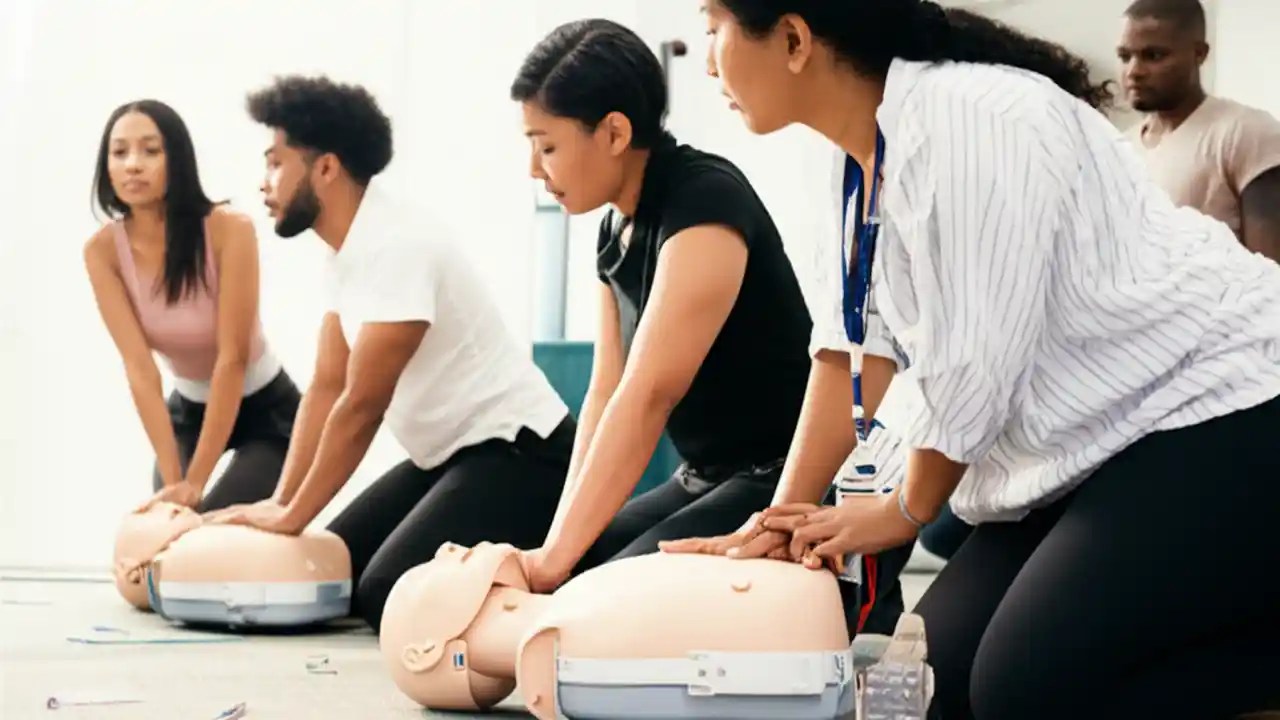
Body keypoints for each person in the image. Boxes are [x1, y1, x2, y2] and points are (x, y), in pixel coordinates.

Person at [676, 1, 1280, 719]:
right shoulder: (845, 157)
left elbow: (977, 360)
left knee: (1025, 690)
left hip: (1217, 402)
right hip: (1084, 442)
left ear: (795, 38)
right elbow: (849, 351)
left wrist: (903, 509)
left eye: (714, 27)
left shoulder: (973, 117)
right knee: (938, 692)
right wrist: (785, 516)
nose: (707, 58)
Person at [205, 76, 576, 631]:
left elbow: (362, 405)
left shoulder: (399, 245)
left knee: (386, 594)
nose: (264, 184)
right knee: (343, 572)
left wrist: (294, 515)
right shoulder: (344, 254)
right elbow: (328, 387)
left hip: (522, 455)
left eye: (276, 164)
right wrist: (283, 500)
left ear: (326, 168)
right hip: (450, 456)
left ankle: (559, 589)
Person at [508, 20, 826, 597]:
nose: (536, 168)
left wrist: (555, 560)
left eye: (547, 145)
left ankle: (855, 602)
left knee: (599, 597)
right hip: (702, 478)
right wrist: (556, 547)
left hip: (778, 478)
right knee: (570, 578)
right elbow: (605, 392)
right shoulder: (612, 229)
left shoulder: (703, 201)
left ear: (613, 132)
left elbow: (649, 393)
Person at [84, 99, 301, 513]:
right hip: (186, 414)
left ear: (178, 159)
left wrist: (196, 483)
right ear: (106, 166)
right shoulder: (102, 252)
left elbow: (232, 359)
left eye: (151, 150)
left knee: (204, 531)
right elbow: (140, 369)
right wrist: (175, 485)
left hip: (269, 412)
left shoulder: (229, 230)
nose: (133, 164)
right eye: (120, 152)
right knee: (171, 522)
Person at [1119, 0, 1280, 262]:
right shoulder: (1120, 148)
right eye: (1125, 56)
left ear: (1199, 53)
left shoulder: (1247, 133)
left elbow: (1274, 276)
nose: (1134, 71)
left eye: (1154, 56)